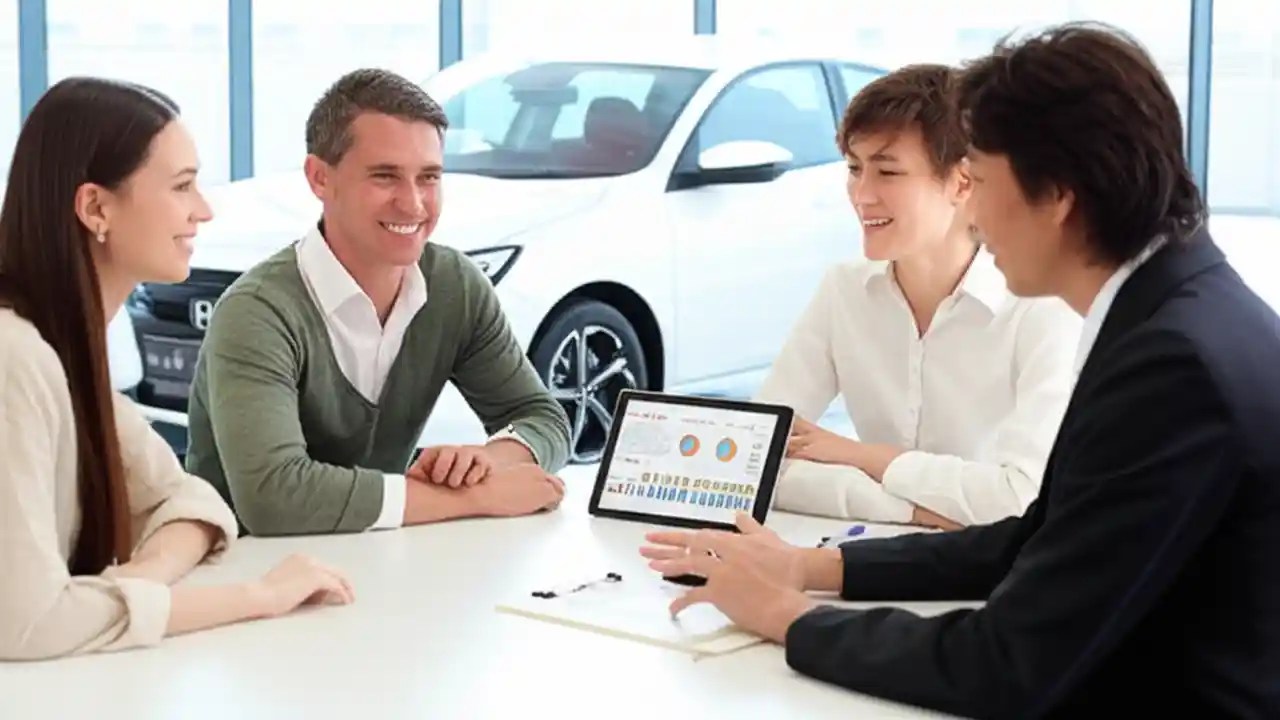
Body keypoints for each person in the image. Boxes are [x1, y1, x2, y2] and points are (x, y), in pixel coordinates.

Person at [641, 23, 1280, 717]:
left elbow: (1005, 662)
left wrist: (789, 616)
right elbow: (1042, 532)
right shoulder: (1184, 307)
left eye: (984, 181)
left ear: (1058, 194)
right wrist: (815, 567)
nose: (972, 209)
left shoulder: (1172, 363)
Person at [0, 78, 354, 661]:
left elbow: (195, 504)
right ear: (95, 207)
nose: (204, 210)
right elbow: (30, 624)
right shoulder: (17, 358)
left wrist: (136, 580)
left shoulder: (63, 354)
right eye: (182, 186)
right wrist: (259, 595)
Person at [185, 69, 571, 536]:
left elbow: (543, 418)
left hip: (380, 571)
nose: (413, 205)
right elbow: (274, 496)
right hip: (248, 581)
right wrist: (477, 497)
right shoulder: (256, 312)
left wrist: (487, 462)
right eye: (385, 176)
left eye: (428, 178)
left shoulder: (454, 286)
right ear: (319, 178)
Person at [756, 64, 1080, 530]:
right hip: (867, 555)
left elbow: (1021, 500)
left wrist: (865, 457)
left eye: (887, 172)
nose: (861, 195)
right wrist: (917, 510)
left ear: (963, 182)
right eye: (854, 168)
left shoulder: (1041, 309)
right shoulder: (843, 290)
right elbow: (754, 458)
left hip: (996, 581)